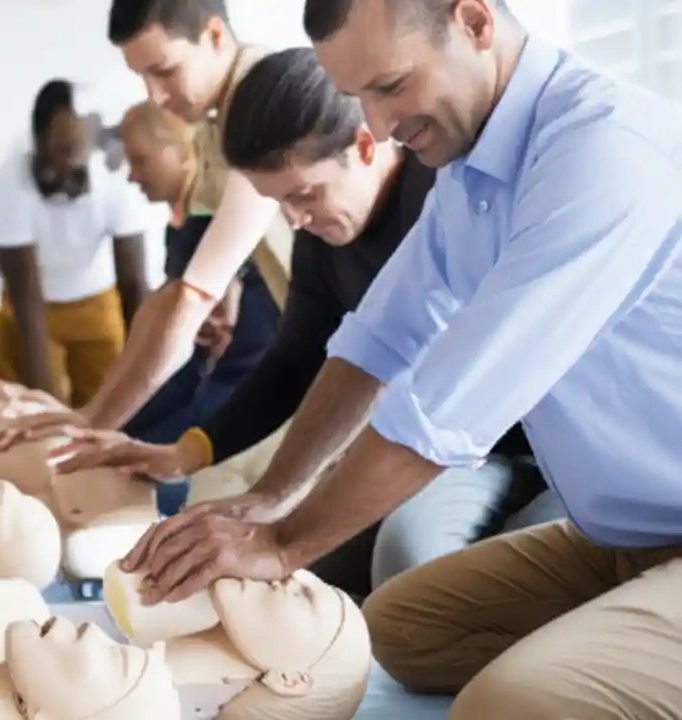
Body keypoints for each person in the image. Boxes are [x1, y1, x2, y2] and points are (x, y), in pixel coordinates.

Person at [122, 1, 682, 716]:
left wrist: (283, 545)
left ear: (473, 21)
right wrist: (272, 497)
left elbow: (450, 406)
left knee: (506, 705)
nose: (379, 126)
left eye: (390, 86)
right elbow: (377, 340)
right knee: (398, 629)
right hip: (620, 537)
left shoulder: (604, 149)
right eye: (359, 97)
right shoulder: (470, 174)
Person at [55, 48, 562, 597]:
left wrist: (290, 511)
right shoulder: (321, 240)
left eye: (304, 195)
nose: (295, 220)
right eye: (280, 204)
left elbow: (418, 383)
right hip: (425, 443)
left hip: (514, 441)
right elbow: (295, 362)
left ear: (364, 147)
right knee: (311, 571)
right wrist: (204, 461)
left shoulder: (440, 202)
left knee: (405, 556)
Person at [0, 0, 292, 445]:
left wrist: (95, 423)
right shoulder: (212, 128)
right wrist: (92, 415)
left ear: (215, 36)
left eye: (165, 71)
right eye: (143, 78)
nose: (156, 96)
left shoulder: (264, 103)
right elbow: (173, 293)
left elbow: (188, 299)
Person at [115, 101, 276, 447]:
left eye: (140, 160)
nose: (131, 175)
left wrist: (123, 437)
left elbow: (223, 380)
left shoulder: (214, 237)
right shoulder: (186, 228)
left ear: (185, 151)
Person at [0, 78, 152, 408]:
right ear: (40, 141)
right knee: (24, 407)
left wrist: (145, 381)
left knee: (111, 405)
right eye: (61, 151)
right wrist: (46, 414)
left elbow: (134, 285)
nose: (70, 166)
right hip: (32, 305)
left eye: (79, 154)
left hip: (96, 301)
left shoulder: (116, 176)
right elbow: (26, 300)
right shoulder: (10, 180)